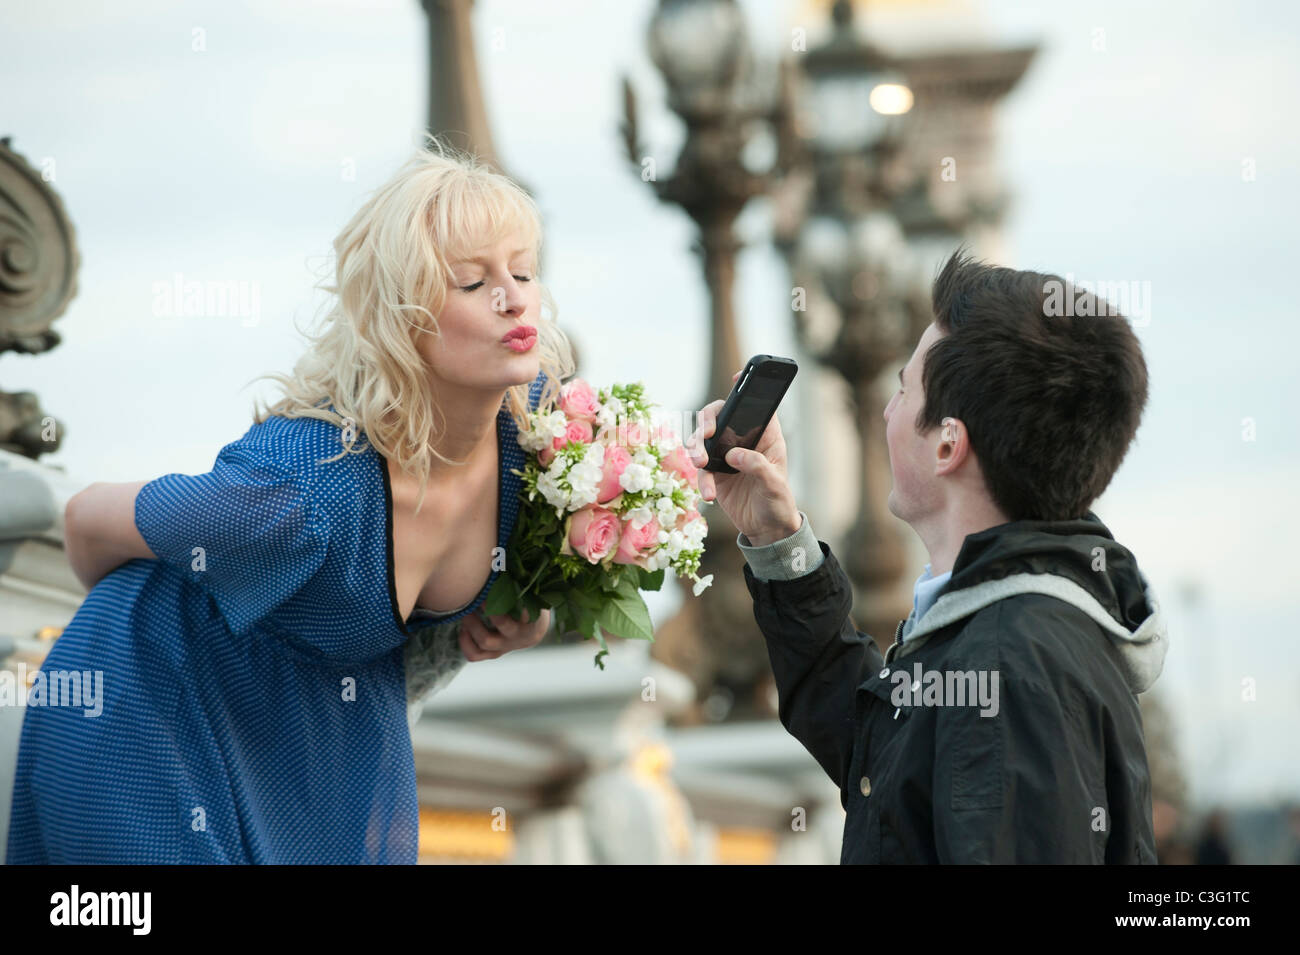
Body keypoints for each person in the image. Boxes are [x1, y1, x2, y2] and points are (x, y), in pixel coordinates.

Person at [5, 139, 575, 864]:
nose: (513, 295)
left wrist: (529, 615)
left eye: (521, 270)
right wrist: (144, 644)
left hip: (328, 736)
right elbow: (85, 518)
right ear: (404, 322)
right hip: (147, 718)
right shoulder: (298, 490)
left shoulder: (538, 436)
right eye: (471, 282)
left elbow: (501, 594)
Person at [686, 249, 1168, 863]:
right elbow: (882, 762)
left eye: (901, 389)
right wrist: (780, 541)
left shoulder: (1008, 663)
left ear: (947, 445)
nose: (885, 412)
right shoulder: (1014, 629)